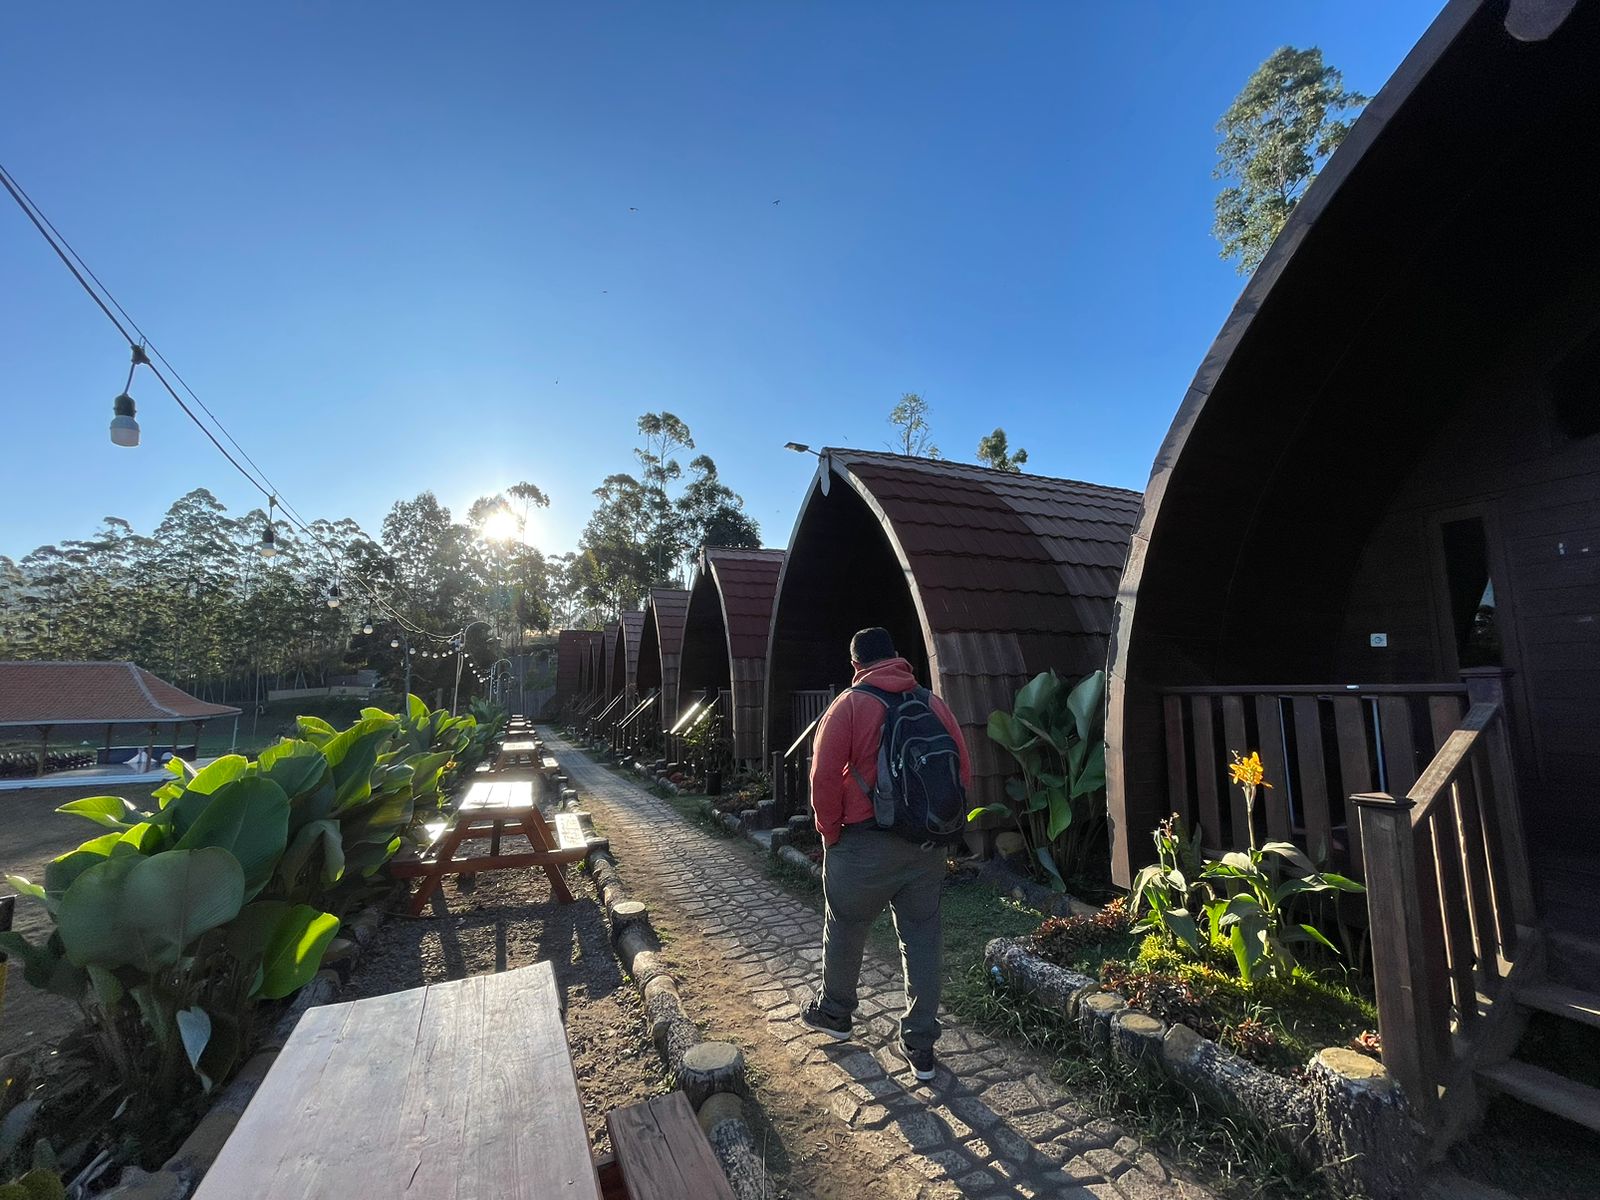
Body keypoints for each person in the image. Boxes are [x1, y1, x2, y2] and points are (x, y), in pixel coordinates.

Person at [799, 626, 972, 1080]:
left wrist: (829, 834)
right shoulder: (933, 704)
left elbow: (822, 779)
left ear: (856, 665)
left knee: (846, 925)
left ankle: (835, 1013)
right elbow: (963, 773)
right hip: (925, 847)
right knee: (922, 938)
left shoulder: (849, 705)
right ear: (896, 657)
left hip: (862, 844)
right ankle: (921, 1047)